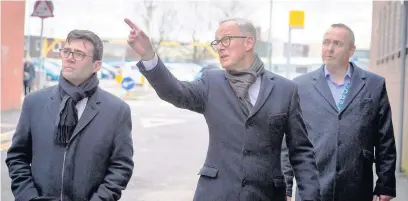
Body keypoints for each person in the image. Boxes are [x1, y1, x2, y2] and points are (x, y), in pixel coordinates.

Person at [124, 17, 321, 201]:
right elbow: (174, 91)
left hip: (267, 194)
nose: (219, 48)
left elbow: (301, 152)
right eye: (217, 42)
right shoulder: (211, 82)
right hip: (216, 193)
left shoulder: (284, 89)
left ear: (248, 42)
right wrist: (148, 55)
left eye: (226, 40)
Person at [6, 29, 134, 201]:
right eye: (66, 51)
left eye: (79, 54)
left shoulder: (117, 110)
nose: (70, 57)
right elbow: (17, 157)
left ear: (96, 65)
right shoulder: (34, 102)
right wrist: (28, 197)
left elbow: (121, 167)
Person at [282, 23, 397, 201]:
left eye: (337, 43)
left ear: (352, 50)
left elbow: (385, 139)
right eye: (326, 42)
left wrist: (386, 184)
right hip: (313, 188)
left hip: (357, 187)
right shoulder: (300, 86)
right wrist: (286, 187)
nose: (329, 48)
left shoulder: (374, 85)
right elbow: (289, 141)